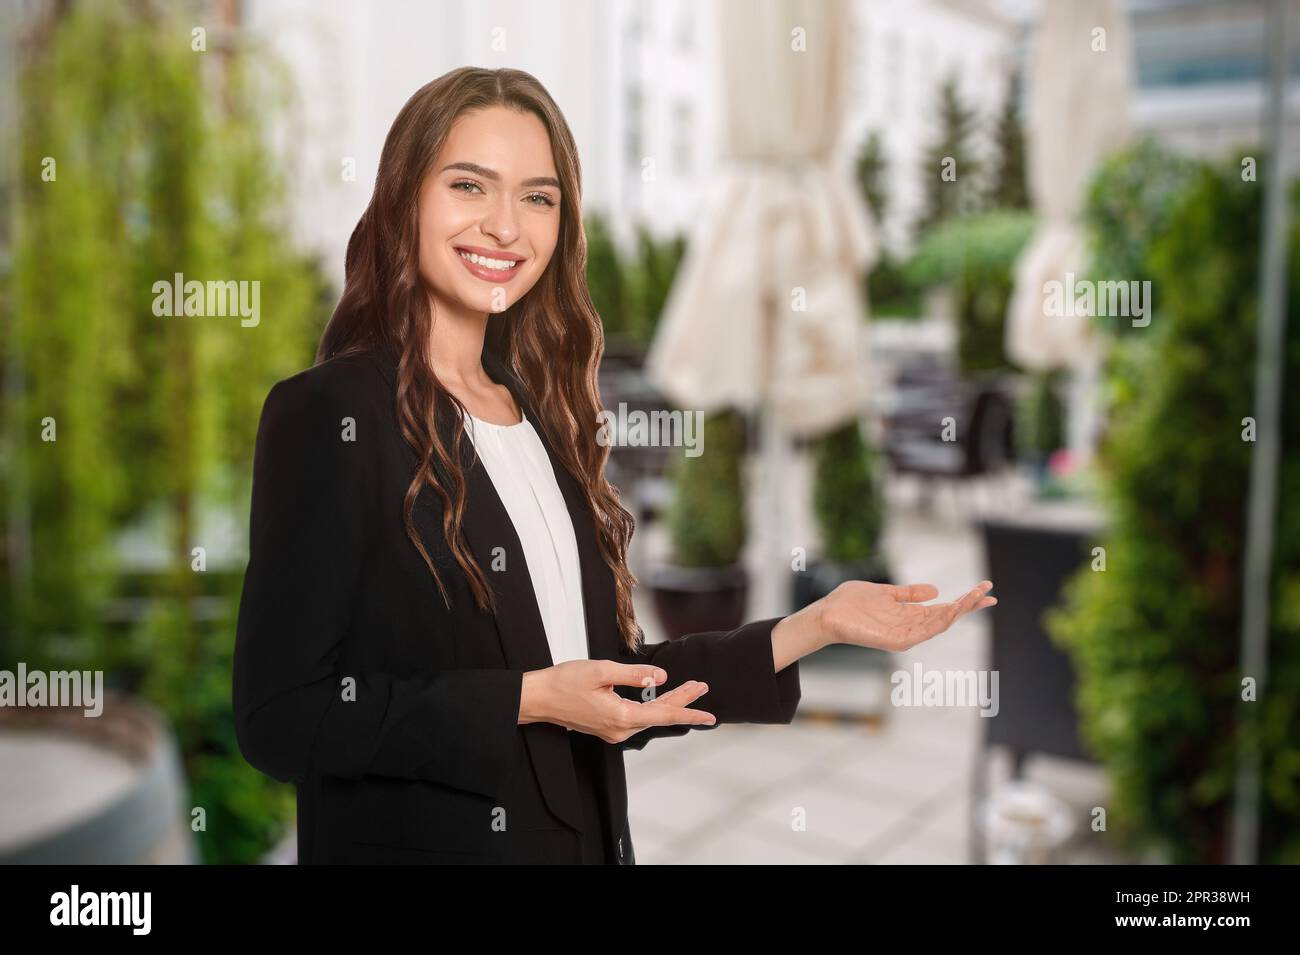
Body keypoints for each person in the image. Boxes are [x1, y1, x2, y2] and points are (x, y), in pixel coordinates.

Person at [231, 66, 996, 865]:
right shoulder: (330, 414)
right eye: (469, 186)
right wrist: (527, 700)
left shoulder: (537, 413)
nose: (504, 226)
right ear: (404, 198)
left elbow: (609, 679)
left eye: (538, 196)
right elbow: (280, 716)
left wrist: (817, 625)